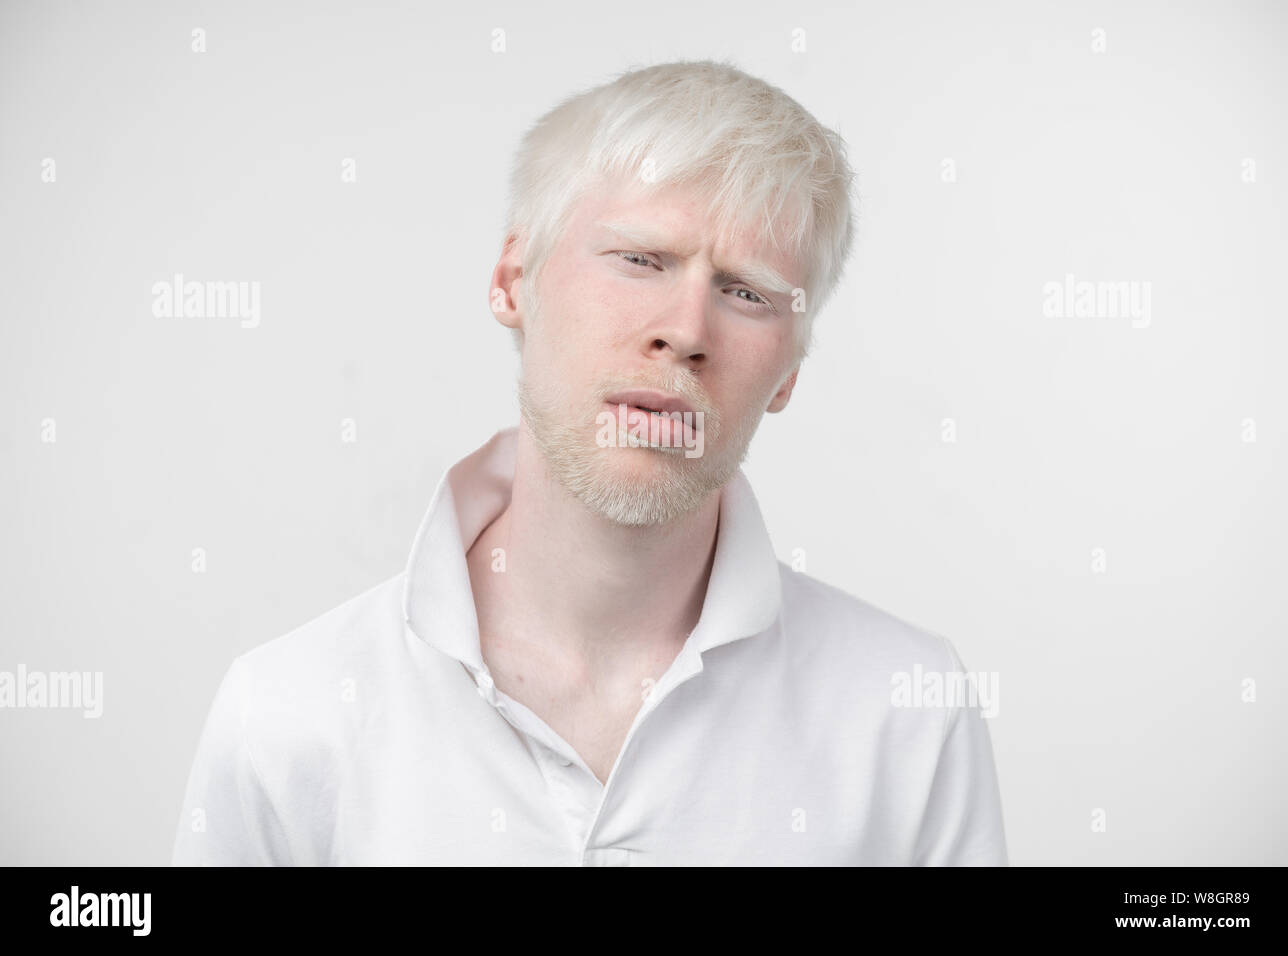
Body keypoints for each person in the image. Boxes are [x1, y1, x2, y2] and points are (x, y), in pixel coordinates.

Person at [171, 58, 1009, 866]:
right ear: (512, 282)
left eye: (747, 292)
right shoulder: (289, 710)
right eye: (641, 259)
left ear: (790, 371)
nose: (686, 331)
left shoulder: (908, 709)